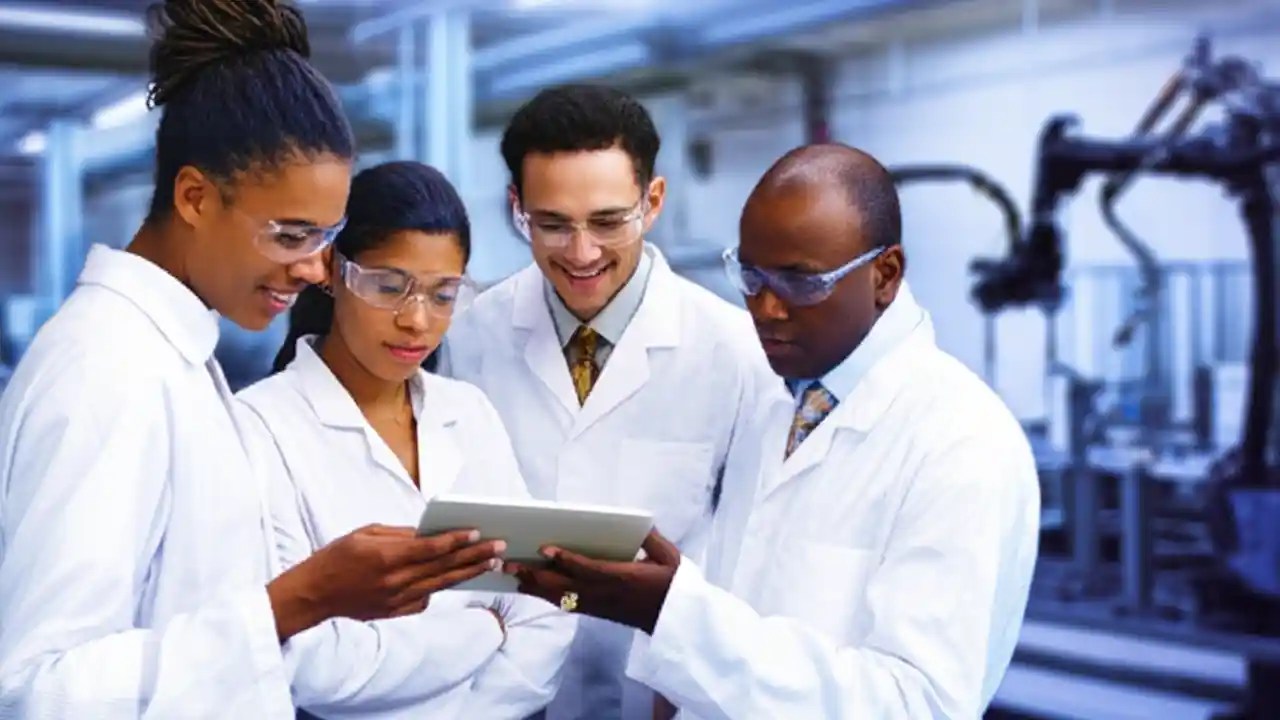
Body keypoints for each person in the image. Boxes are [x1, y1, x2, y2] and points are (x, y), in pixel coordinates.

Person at [0, 3, 500, 717]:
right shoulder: (104, 370)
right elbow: (38, 690)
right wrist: (300, 600)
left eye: (324, 237)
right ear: (196, 196)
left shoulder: (173, 357)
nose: (312, 270)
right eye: (290, 234)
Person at [507, 143, 1042, 719]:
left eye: (801, 283)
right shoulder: (779, 401)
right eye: (751, 276)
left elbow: (917, 704)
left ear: (885, 275)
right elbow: (723, 613)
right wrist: (671, 616)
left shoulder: (959, 441)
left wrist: (674, 614)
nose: (766, 309)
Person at [439, 84, 774, 720]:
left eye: (607, 221)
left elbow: (750, 556)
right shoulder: (475, 334)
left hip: (662, 693)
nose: (582, 253)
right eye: (552, 224)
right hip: (505, 692)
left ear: (653, 202)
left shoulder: (733, 352)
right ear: (517, 209)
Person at [237, 160, 576, 719]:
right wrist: (484, 628)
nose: (417, 320)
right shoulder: (259, 427)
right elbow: (312, 661)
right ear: (331, 269)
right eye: (388, 287)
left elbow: (548, 606)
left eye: (443, 294)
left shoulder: (468, 413)